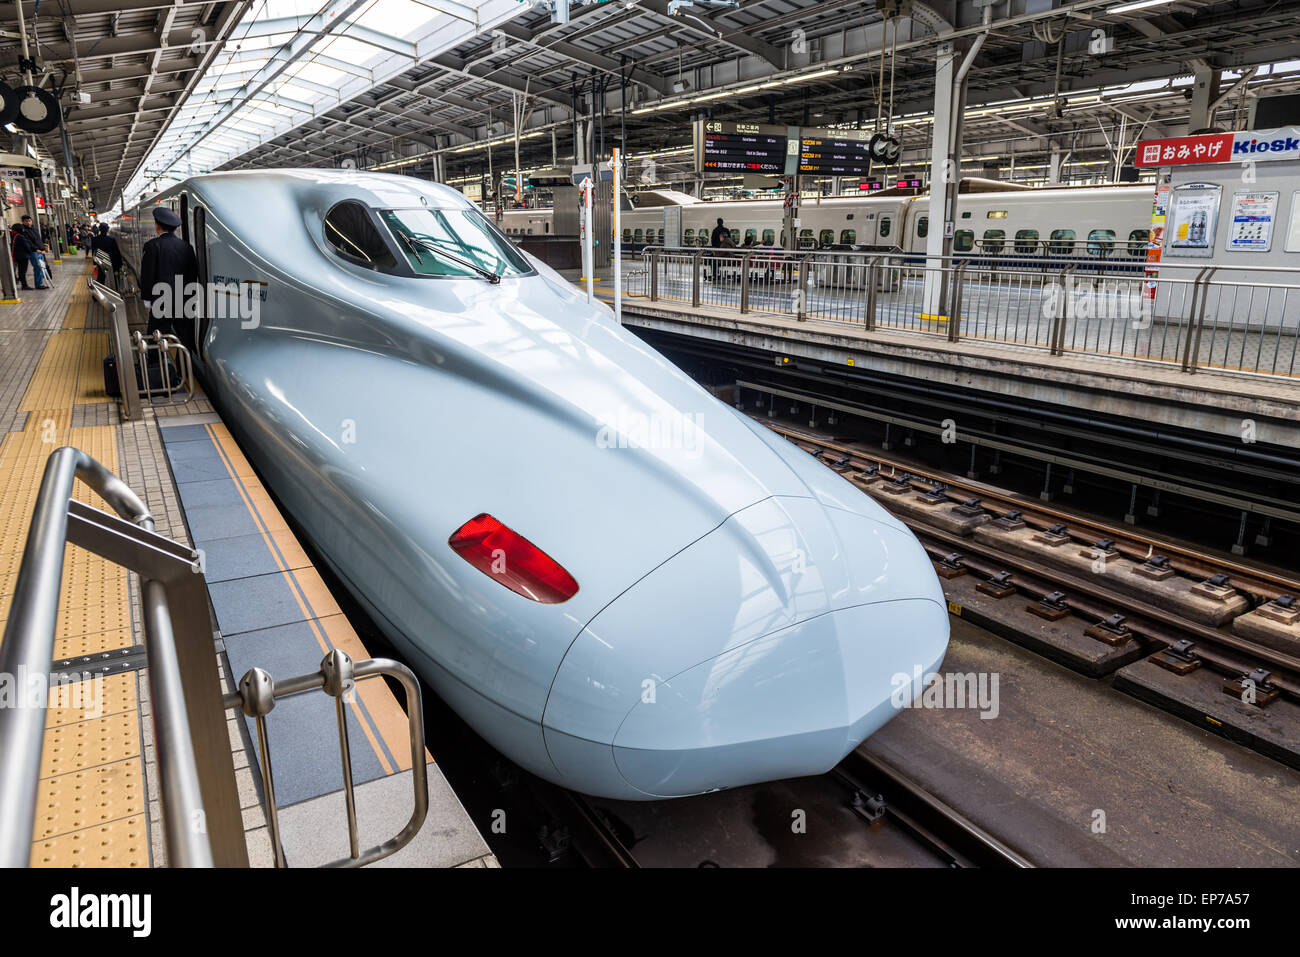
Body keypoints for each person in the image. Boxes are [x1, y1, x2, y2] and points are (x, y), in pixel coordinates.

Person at [139, 206, 198, 341]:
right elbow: (192, 274)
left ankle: (155, 362)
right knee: (184, 336)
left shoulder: (153, 246)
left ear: (157, 226)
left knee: (157, 336)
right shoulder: (186, 247)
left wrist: (147, 299)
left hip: (161, 300)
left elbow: (148, 275)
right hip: (184, 299)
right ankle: (183, 361)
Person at [12, 215, 49, 290]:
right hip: (33, 252)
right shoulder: (23, 231)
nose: (28, 222)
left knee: (41, 267)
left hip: (40, 251)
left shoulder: (34, 229)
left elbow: (39, 240)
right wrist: (36, 249)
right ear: (23, 222)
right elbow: (28, 242)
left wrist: (42, 249)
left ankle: (40, 283)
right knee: (37, 267)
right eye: (26, 221)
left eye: (29, 221)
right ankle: (38, 284)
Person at [90, 222, 122, 287]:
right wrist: (119, 264)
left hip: (100, 262)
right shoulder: (111, 239)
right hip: (111, 262)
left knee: (101, 278)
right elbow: (116, 252)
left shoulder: (94, 239)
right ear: (107, 230)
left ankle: (100, 291)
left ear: (99, 230)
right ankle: (114, 291)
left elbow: (94, 252)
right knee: (113, 278)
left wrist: (94, 264)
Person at [709, 216, 734, 281]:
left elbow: (713, 241)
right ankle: (717, 274)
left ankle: (715, 275)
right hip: (726, 255)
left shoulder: (715, 230)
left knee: (713, 260)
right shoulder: (726, 230)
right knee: (715, 260)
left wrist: (714, 251)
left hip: (721, 253)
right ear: (722, 222)